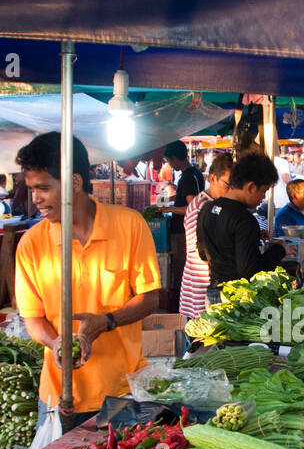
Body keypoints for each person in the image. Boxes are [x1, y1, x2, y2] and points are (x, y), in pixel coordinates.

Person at [14, 133, 161, 423]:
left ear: (75, 183)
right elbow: (33, 318)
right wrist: (55, 342)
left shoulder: (130, 225)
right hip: (61, 395)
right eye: (31, 188)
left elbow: (150, 298)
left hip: (123, 392)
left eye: (43, 188)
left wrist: (106, 322)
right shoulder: (31, 244)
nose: (36, 199)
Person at [196, 152, 290, 300]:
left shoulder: (207, 209)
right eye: (263, 191)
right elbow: (250, 271)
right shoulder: (244, 219)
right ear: (251, 187)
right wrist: (279, 250)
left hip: (213, 293)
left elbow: (202, 253)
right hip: (237, 299)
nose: (263, 198)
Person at [180, 154, 232, 321]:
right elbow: (202, 247)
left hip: (205, 281)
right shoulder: (203, 206)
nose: (230, 191)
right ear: (212, 178)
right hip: (201, 283)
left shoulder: (214, 204)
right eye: (227, 185)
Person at [165, 141, 204, 207]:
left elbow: (192, 207)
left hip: (184, 217)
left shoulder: (188, 178)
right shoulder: (196, 171)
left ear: (174, 158)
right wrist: (166, 200)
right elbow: (183, 197)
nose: (170, 165)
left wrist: (167, 209)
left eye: (169, 161)